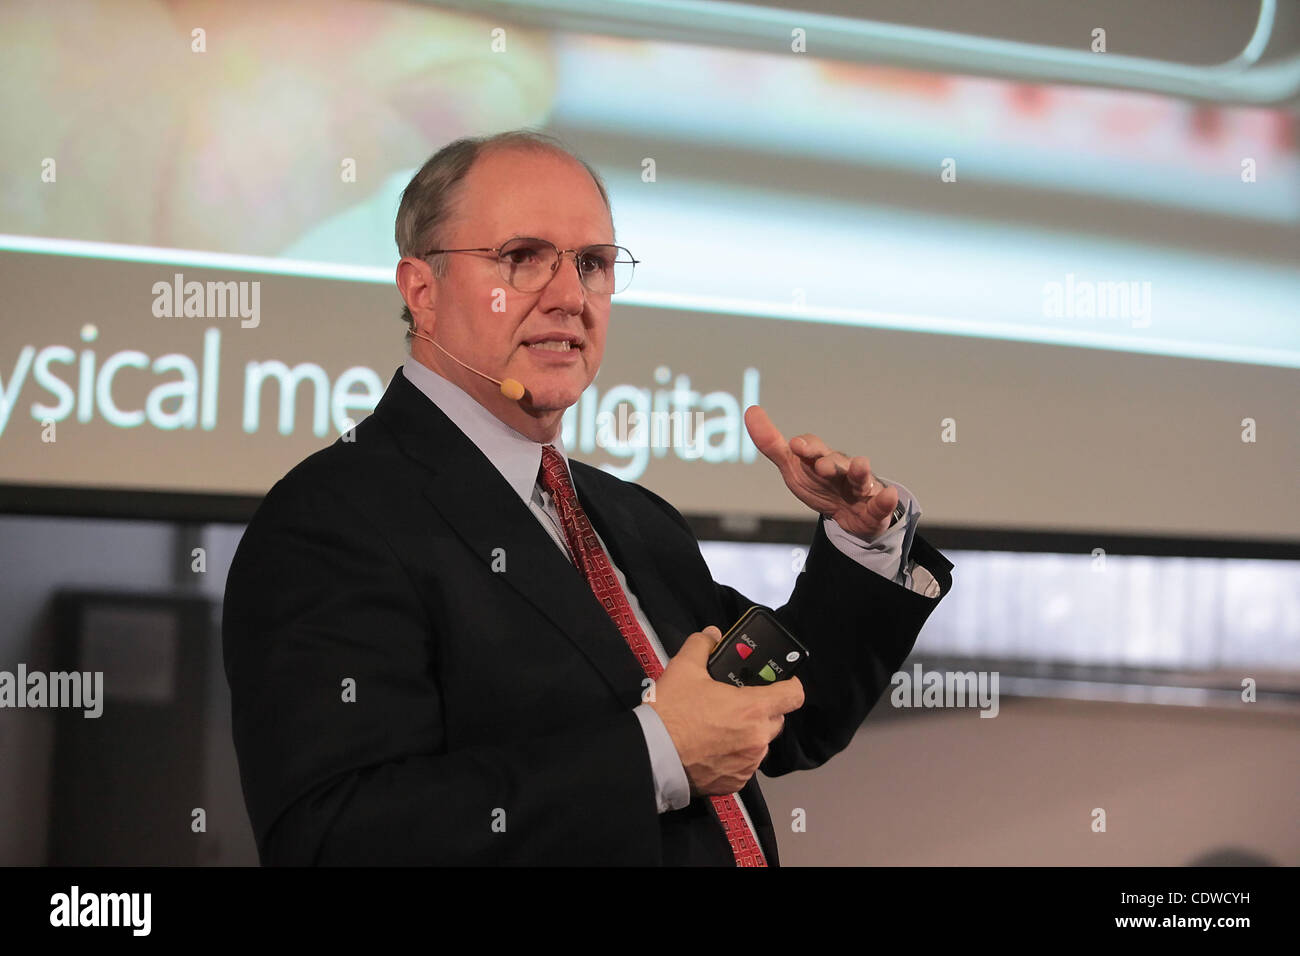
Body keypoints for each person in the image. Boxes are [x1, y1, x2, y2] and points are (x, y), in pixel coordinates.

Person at [221, 130, 954, 866]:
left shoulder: (633, 519)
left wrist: (863, 540)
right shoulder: (329, 520)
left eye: (594, 264)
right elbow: (334, 837)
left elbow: (789, 712)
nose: (570, 297)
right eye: (523, 257)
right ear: (423, 291)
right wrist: (655, 755)